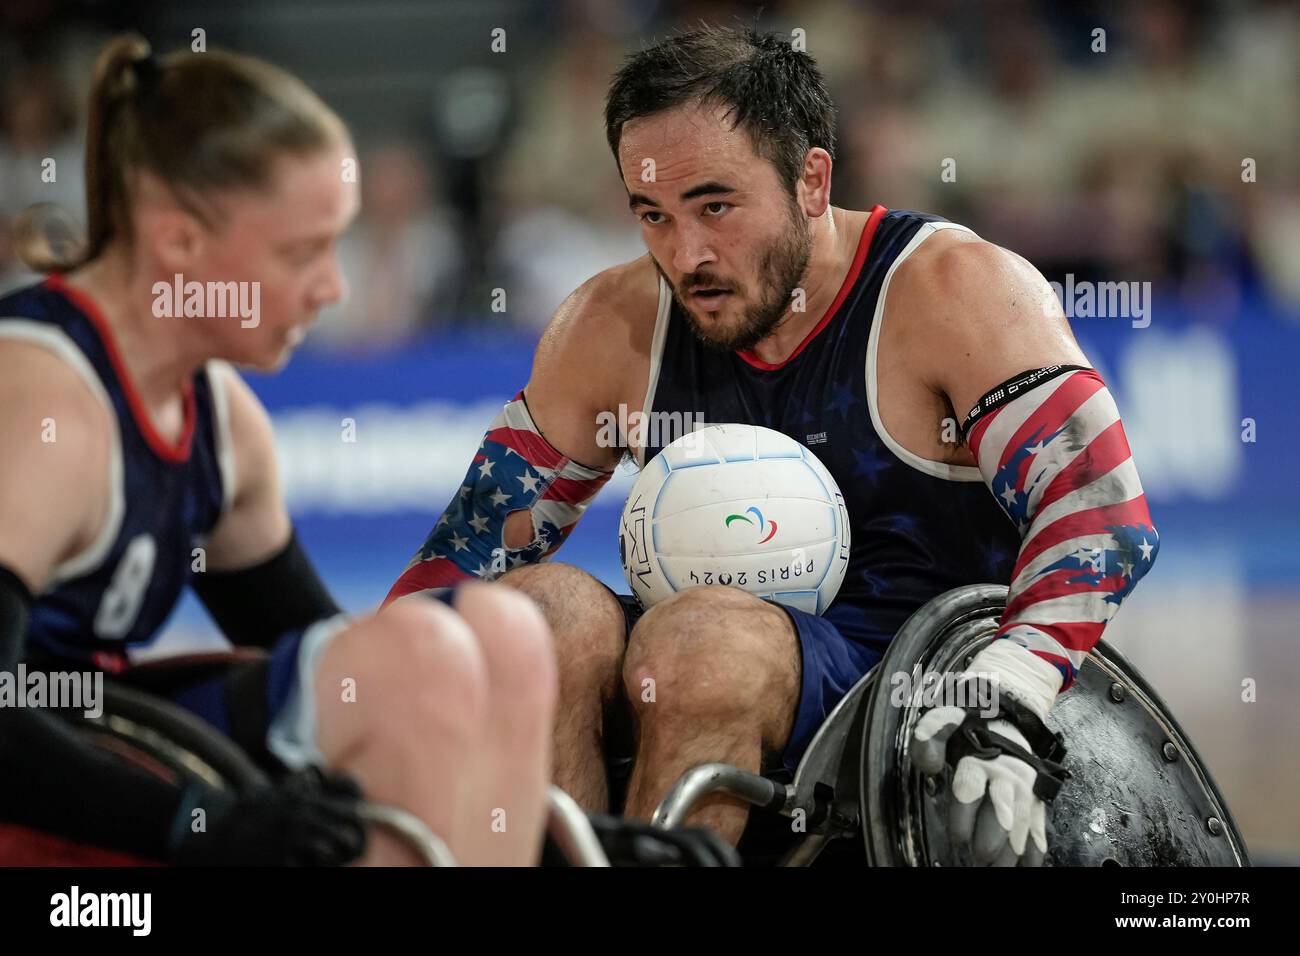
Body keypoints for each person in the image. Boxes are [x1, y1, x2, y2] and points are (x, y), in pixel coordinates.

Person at [387, 27, 1160, 866]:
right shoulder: (608, 324)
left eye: (715, 206)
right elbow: (463, 553)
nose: (686, 255)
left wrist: (1013, 679)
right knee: (534, 615)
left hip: (906, 679)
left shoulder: (956, 289)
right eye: (653, 215)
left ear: (812, 180)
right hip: (684, 645)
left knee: (702, 641)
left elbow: (1101, 512)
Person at [0, 34, 555, 866]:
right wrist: (196, 819)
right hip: (50, 790)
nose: (334, 287)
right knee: (424, 661)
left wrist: (533, 816)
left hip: (105, 744)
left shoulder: (221, 419)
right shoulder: (47, 404)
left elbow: (344, 662)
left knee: (497, 634)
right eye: (304, 251)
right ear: (179, 242)